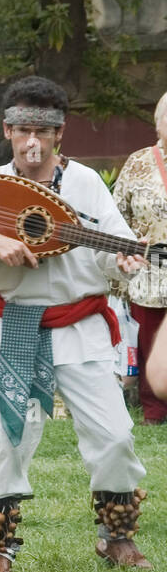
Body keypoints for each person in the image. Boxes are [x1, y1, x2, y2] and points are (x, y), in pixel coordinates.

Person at [0, 75, 150, 572]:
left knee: (114, 434)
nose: (33, 142)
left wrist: (124, 262)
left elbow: (117, 246)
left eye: (43, 132)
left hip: (81, 323)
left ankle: (116, 536)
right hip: (18, 325)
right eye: (23, 129)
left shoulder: (87, 184)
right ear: (7, 129)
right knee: (9, 437)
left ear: (59, 133)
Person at [112, 91, 167, 423]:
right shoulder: (139, 162)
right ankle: (154, 410)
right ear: (158, 123)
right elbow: (116, 214)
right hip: (150, 268)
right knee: (148, 338)